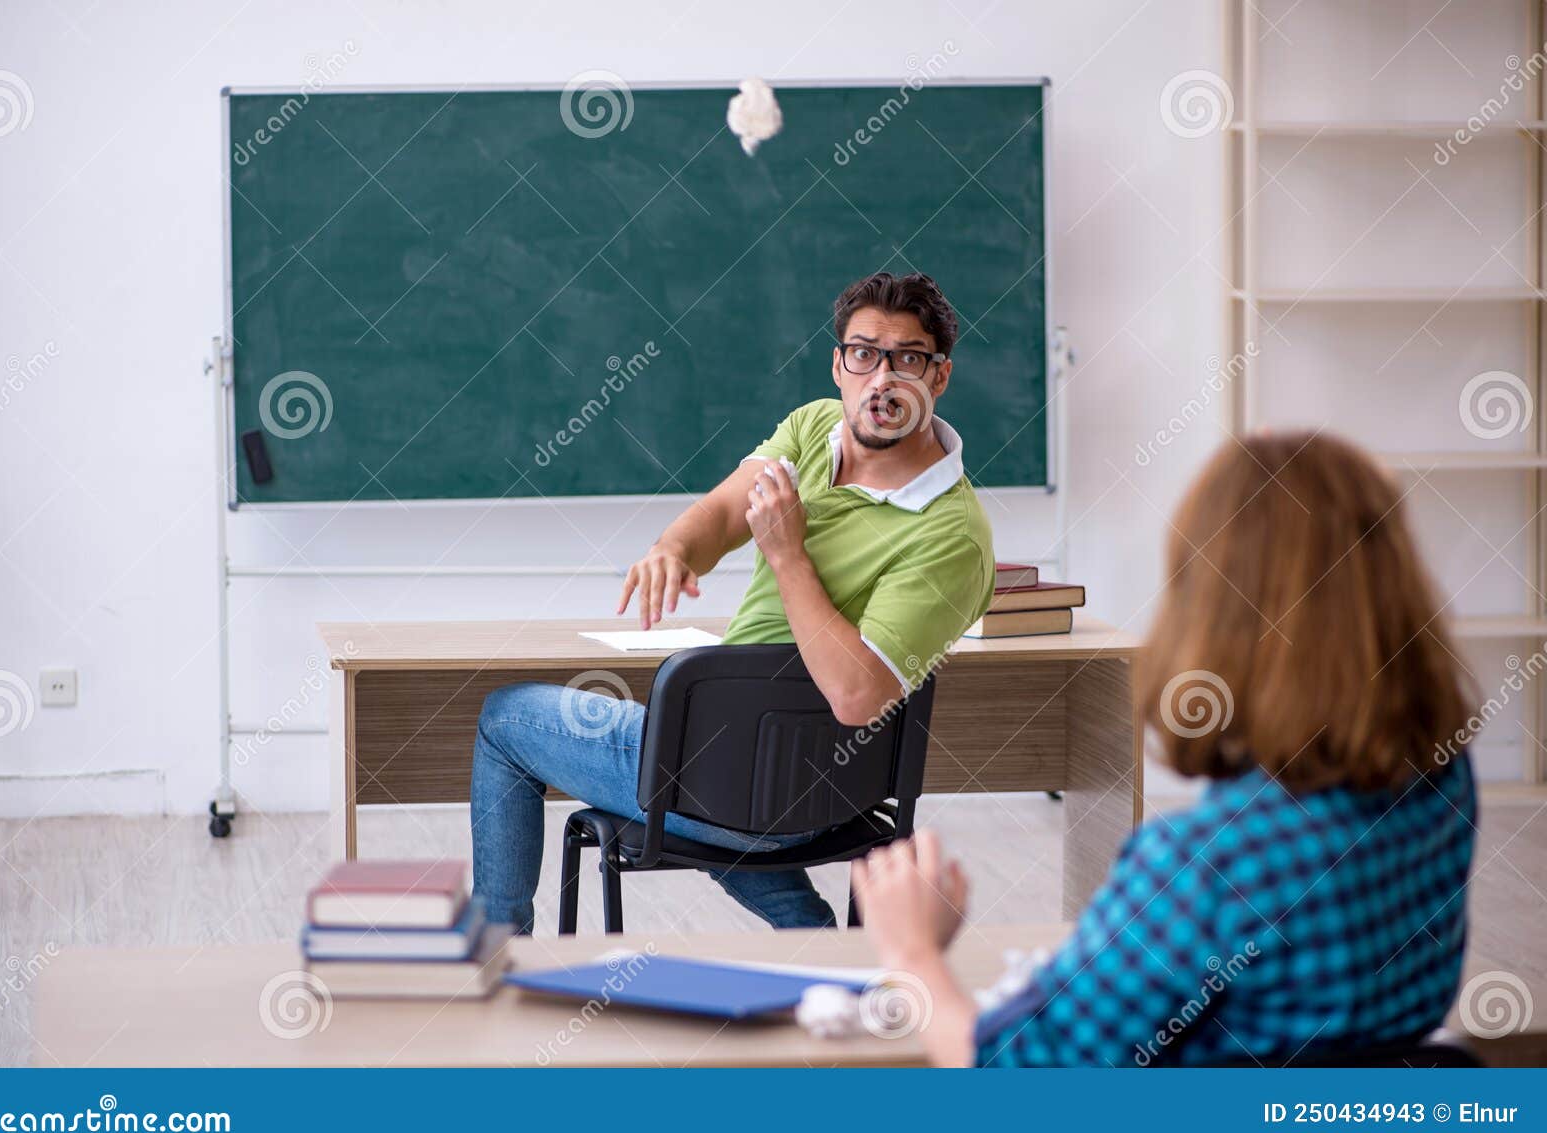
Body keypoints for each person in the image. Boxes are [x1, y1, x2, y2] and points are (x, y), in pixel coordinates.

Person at [854, 430, 1478, 1066]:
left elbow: (1011, 1081)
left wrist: (912, 955)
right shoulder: (1447, 783)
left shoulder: (1202, 870)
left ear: (1211, 610)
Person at [471, 272, 994, 933]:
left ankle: (498, 949)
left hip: (786, 790)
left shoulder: (952, 535)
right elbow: (723, 513)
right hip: (764, 779)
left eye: (908, 360)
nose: (882, 380)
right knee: (708, 754)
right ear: (839, 364)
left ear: (939, 377)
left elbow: (858, 698)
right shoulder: (814, 429)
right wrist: (673, 549)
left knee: (505, 719)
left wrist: (787, 555)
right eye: (864, 354)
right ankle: (810, 934)